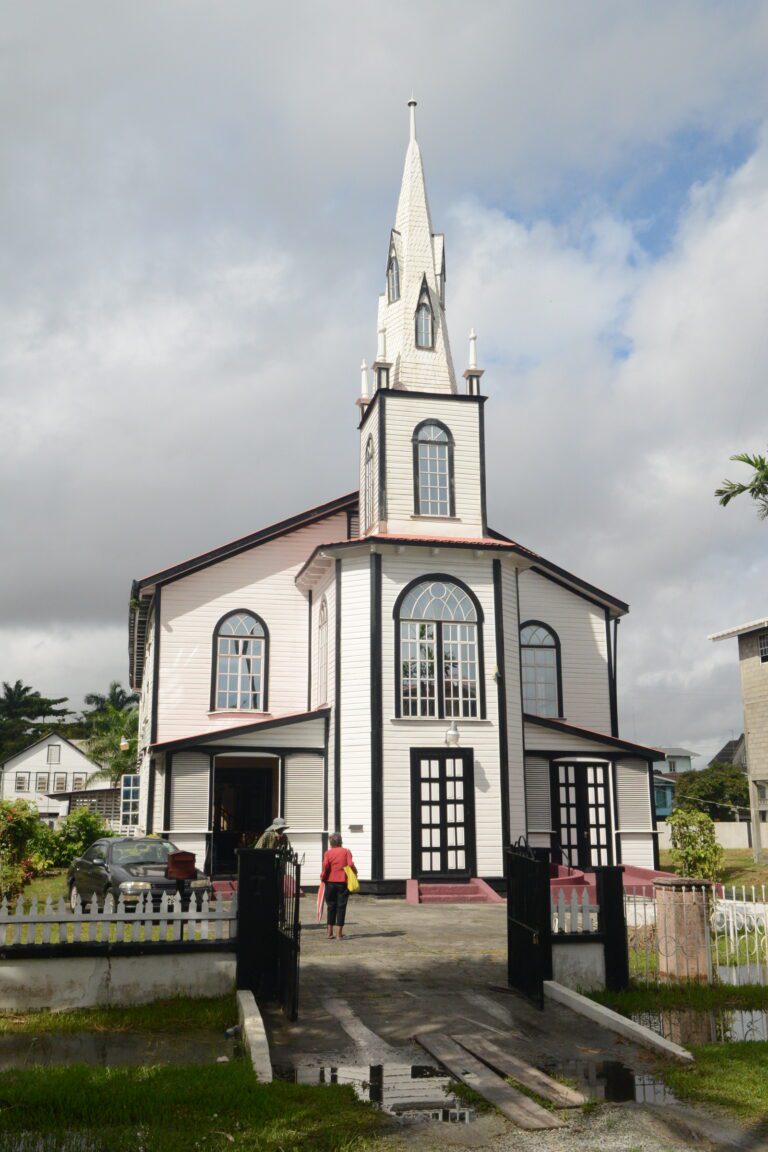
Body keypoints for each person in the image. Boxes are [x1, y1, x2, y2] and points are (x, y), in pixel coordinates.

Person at [320, 832, 357, 940]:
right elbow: (350, 864)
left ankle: (329, 933)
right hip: (343, 882)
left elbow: (325, 866)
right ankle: (339, 934)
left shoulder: (328, 853)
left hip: (330, 882)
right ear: (340, 841)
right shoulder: (346, 851)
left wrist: (323, 877)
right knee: (341, 907)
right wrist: (355, 871)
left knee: (331, 906)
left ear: (331, 842)